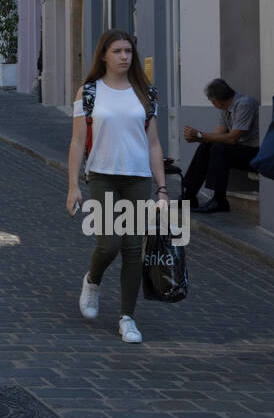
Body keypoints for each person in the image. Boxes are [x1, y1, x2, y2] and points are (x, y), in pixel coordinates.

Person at [67, 29, 168, 345]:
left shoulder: (146, 94)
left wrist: (162, 189)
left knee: (133, 249)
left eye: (128, 51)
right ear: (103, 55)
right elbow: (76, 141)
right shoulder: (89, 92)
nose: (124, 56)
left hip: (138, 177)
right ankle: (92, 281)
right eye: (117, 51)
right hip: (102, 175)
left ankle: (127, 318)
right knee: (109, 244)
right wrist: (73, 186)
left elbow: (153, 144)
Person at [181, 79, 259, 213]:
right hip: (240, 149)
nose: (212, 104)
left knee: (219, 149)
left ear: (217, 100)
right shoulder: (225, 108)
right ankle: (189, 196)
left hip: (255, 152)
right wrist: (197, 138)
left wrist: (200, 135)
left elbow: (233, 138)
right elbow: (217, 135)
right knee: (206, 147)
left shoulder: (245, 104)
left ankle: (219, 200)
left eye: (212, 101)